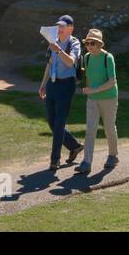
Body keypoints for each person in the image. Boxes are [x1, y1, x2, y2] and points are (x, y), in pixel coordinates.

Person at [38, 15, 83, 172]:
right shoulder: (53, 42)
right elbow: (49, 64)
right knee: (51, 121)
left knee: (59, 122)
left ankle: (54, 159)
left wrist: (60, 50)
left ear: (71, 28)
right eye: (58, 26)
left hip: (66, 85)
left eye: (63, 26)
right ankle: (74, 146)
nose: (60, 29)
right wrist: (44, 84)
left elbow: (71, 61)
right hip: (52, 84)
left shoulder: (74, 43)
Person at [76, 28, 119, 174]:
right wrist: (88, 89)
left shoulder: (108, 58)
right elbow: (88, 76)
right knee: (90, 129)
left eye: (92, 43)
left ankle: (113, 155)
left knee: (109, 128)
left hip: (109, 98)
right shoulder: (87, 57)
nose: (88, 46)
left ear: (99, 44)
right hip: (92, 99)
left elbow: (112, 81)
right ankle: (86, 162)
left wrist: (95, 90)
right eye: (87, 43)